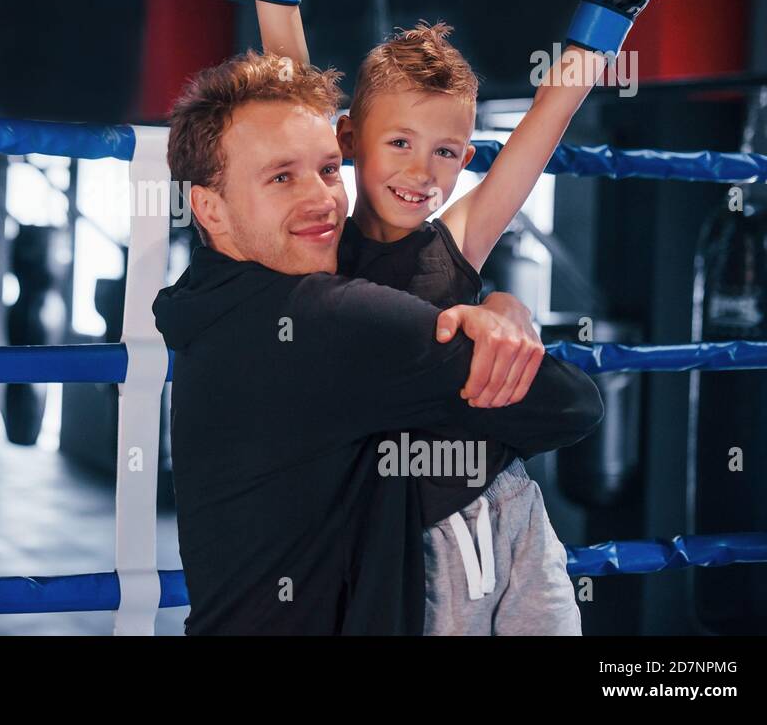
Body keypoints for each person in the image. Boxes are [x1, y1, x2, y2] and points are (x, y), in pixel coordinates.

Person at [215, 0, 720, 632]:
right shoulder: (323, 243)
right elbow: (293, 92)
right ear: (349, 143)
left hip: (517, 507)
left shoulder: (460, 235)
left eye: (447, 152)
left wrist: (613, 2)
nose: (422, 172)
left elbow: (547, 121)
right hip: (420, 536)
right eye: (400, 144)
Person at [153, 50, 603, 634]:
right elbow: (570, 403)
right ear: (208, 207)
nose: (320, 200)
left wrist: (497, 310)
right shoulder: (326, 314)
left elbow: (293, 97)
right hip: (444, 541)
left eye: (325, 170)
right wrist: (497, 324)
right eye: (281, 177)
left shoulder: (206, 303)